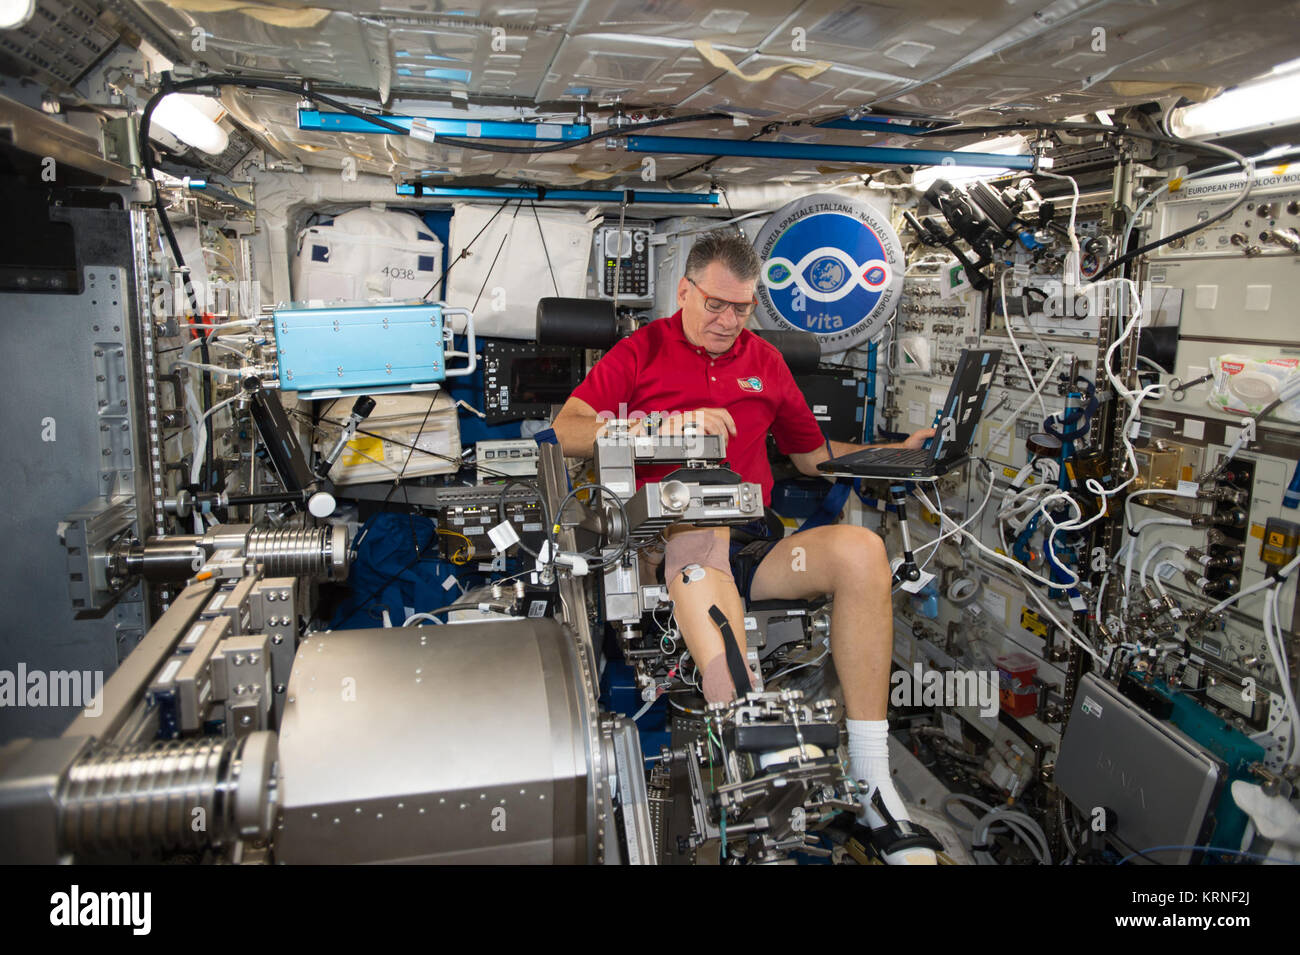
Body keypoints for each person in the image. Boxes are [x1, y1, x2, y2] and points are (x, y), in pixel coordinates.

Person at [552, 229, 939, 863]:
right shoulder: (641, 351)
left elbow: (813, 458)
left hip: (752, 540)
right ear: (685, 291)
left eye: (744, 308)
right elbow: (566, 430)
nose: (730, 321)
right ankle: (747, 738)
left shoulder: (764, 360)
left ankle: (872, 781)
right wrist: (662, 425)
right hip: (663, 536)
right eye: (716, 306)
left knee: (863, 553)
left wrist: (896, 453)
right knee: (702, 530)